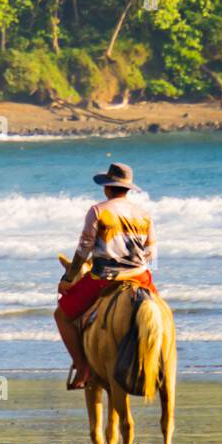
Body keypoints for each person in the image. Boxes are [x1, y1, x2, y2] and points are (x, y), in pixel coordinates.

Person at [53, 162, 157, 390]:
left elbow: (84, 248)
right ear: (127, 189)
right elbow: (151, 252)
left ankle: (82, 367)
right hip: (140, 277)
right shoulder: (144, 215)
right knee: (159, 313)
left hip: (105, 278)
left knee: (61, 315)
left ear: (107, 188)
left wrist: (69, 278)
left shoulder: (98, 210)